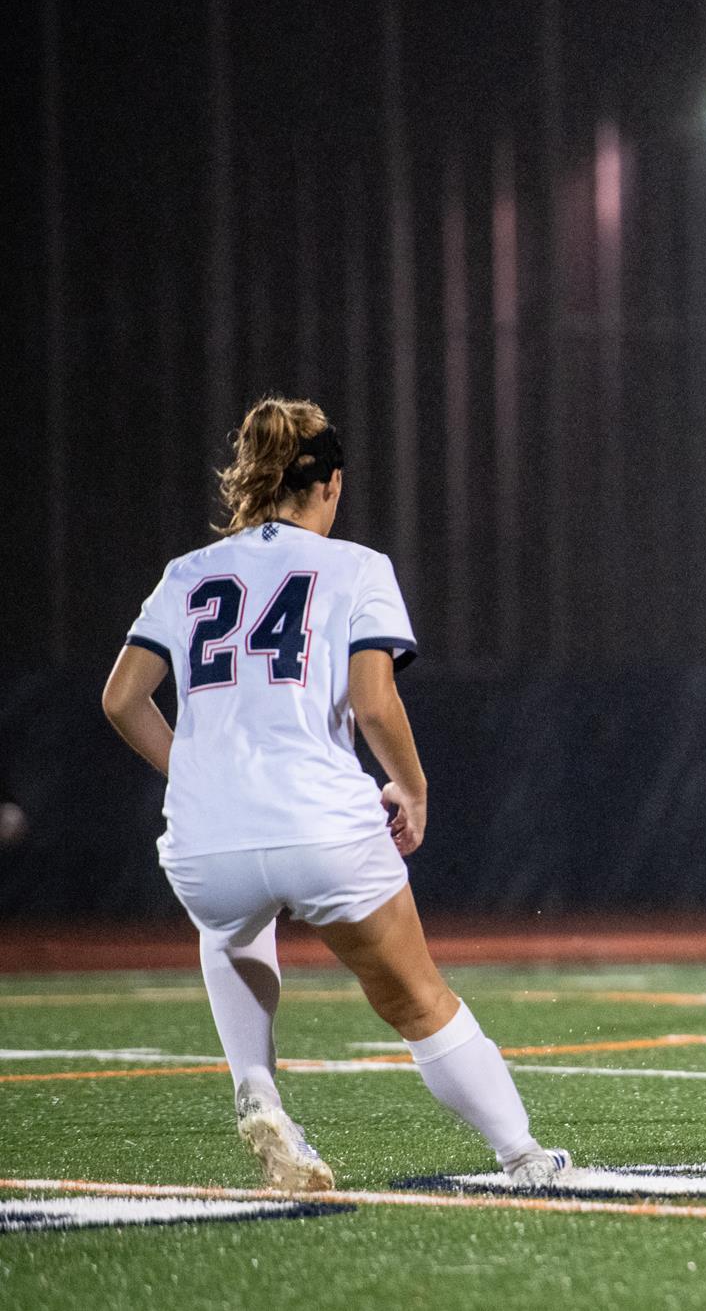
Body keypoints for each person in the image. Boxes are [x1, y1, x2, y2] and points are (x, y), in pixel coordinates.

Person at [100, 398, 570, 1190]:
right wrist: (412, 790)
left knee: (231, 931)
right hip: (320, 822)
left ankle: (256, 1088)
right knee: (419, 1000)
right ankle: (524, 1155)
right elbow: (376, 702)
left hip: (205, 840)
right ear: (331, 484)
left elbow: (120, 699)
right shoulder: (355, 566)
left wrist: (193, 770)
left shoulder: (188, 572)